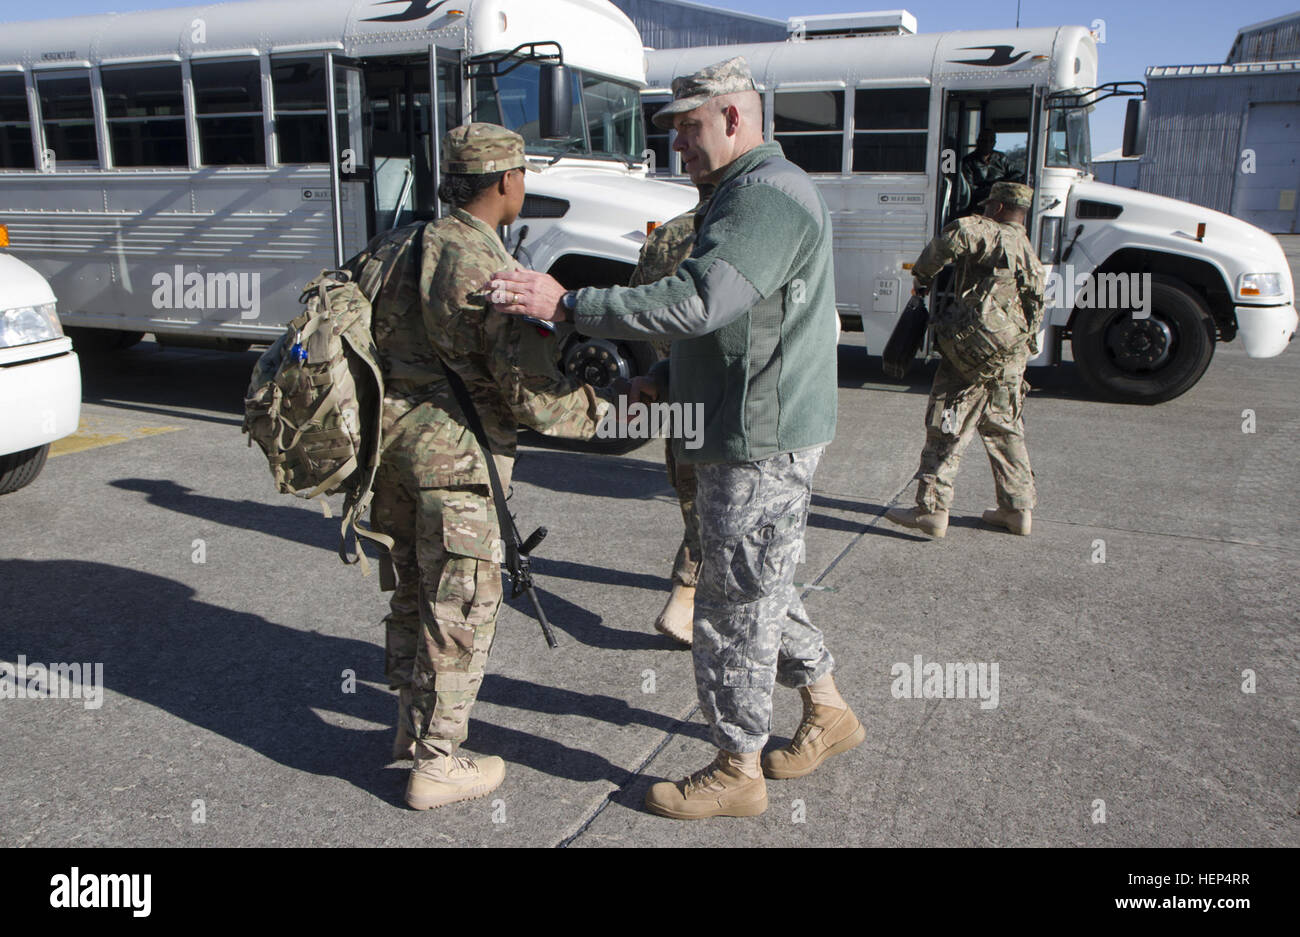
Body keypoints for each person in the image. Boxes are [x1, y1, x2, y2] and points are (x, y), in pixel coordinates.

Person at [484, 57, 863, 820]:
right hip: (739, 423)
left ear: (733, 117)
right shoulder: (741, 193)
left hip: (759, 437)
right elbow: (733, 322)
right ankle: (827, 708)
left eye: (689, 127)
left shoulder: (765, 196)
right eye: (674, 131)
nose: (677, 146)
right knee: (761, 582)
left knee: (731, 603)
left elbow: (699, 300)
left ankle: (737, 767)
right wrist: (667, 379)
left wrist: (569, 302)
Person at [369, 122, 608, 810]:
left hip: (396, 456)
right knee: (462, 605)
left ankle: (410, 733)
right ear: (507, 181)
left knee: (416, 593)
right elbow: (527, 394)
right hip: (457, 466)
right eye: (522, 176)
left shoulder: (399, 244)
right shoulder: (491, 267)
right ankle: (438, 762)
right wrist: (599, 409)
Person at [885, 181, 1046, 539]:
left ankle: (931, 510)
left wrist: (922, 277)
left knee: (946, 424)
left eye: (990, 205)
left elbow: (953, 238)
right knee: (1005, 428)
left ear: (999, 209)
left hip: (972, 354)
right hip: (1011, 358)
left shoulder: (987, 229)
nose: (986, 210)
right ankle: (1017, 510)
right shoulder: (1029, 252)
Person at [627, 184, 713, 646]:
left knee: (689, 490)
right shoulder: (731, 234)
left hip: (677, 384)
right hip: (717, 391)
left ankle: (692, 590)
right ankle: (686, 593)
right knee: (712, 503)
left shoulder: (666, 234)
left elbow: (639, 303)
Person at [961, 128, 1021, 212]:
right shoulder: (968, 162)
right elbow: (970, 190)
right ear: (978, 141)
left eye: (991, 141)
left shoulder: (1002, 158)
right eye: (984, 141)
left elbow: (1017, 174)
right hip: (978, 206)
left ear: (994, 143)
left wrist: (1003, 184)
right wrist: (992, 191)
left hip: (1001, 205)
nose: (987, 144)